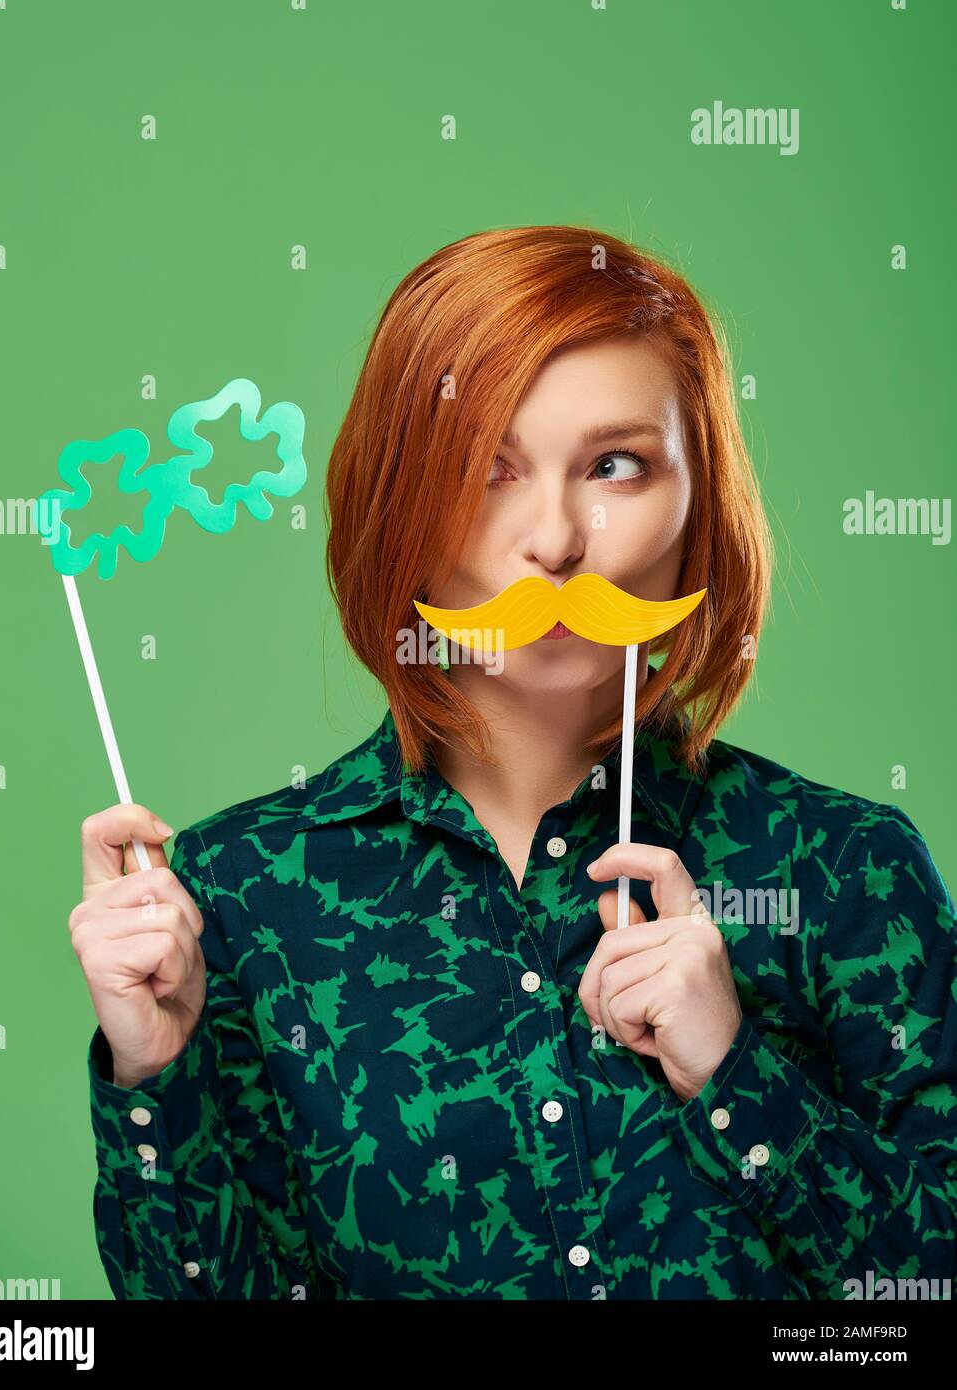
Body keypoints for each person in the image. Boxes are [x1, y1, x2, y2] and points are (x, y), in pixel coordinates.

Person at [73, 225, 957, 1300]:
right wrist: (152, 1074)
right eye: (486, 467)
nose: (554, 541)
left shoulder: (846, 871)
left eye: (615, 465)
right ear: (402, 499)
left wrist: (732, 1071)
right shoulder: (236, 899)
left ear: (700, 500)